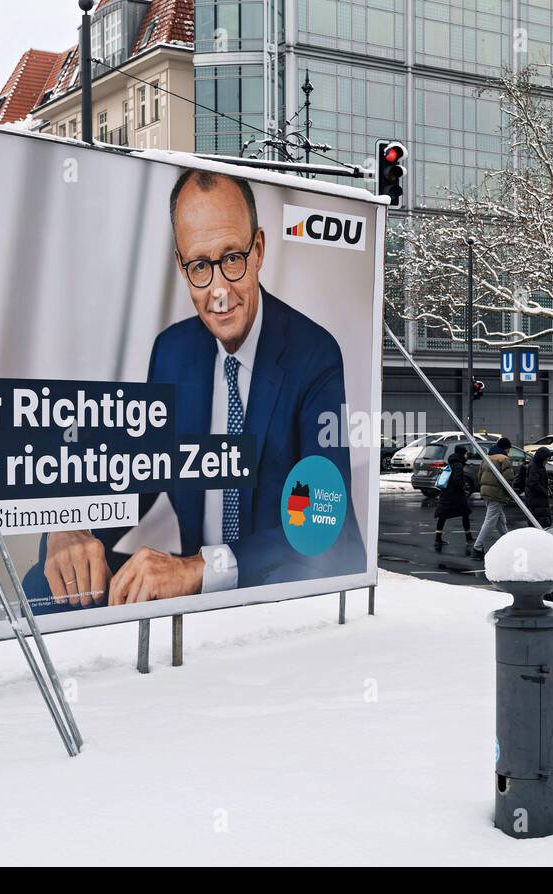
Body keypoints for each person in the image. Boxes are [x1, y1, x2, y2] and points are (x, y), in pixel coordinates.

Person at [25, 168, 363, 609]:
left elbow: (322, 523)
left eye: (232, 259)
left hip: (274, 580)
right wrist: (74, 526)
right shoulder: (173, 351)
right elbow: (136, 474)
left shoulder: (314, 354)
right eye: (201, 267)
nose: (219, 291)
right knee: (50, 582)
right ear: (182, 268)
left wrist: (198, 569)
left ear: (258, 251)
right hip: (196, 590)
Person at [471, 437, 515, 558]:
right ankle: (477, 547)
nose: (509, 451)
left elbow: (479, 475)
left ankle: (508, 542)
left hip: (486, 493)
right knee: (490, 521)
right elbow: (508, 479)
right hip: (497, 494)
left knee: (501, 521)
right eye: (509, 448)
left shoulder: (487, 458)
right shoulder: (504, 459)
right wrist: (510, 493)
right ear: (506, 448)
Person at [433, 445, 473, 552]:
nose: (467, 455)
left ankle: (438, 538)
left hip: (446, 493)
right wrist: (463, 487)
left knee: (443, 515)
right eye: (466, 453)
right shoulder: (458, 465)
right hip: (456, 494)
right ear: (462, 454)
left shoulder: (451, 462)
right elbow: (457, 480)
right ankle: (469, 538)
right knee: (465, 513)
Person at [522, 446, 553, 528]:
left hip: (538, 500)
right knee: (539, 524)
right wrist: (544, 492)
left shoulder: (539, 466)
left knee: (541, 522)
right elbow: (534, 483)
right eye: (546, 459)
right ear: (541, 458)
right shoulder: (534, 467)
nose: (547, 462)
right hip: (536, 500)